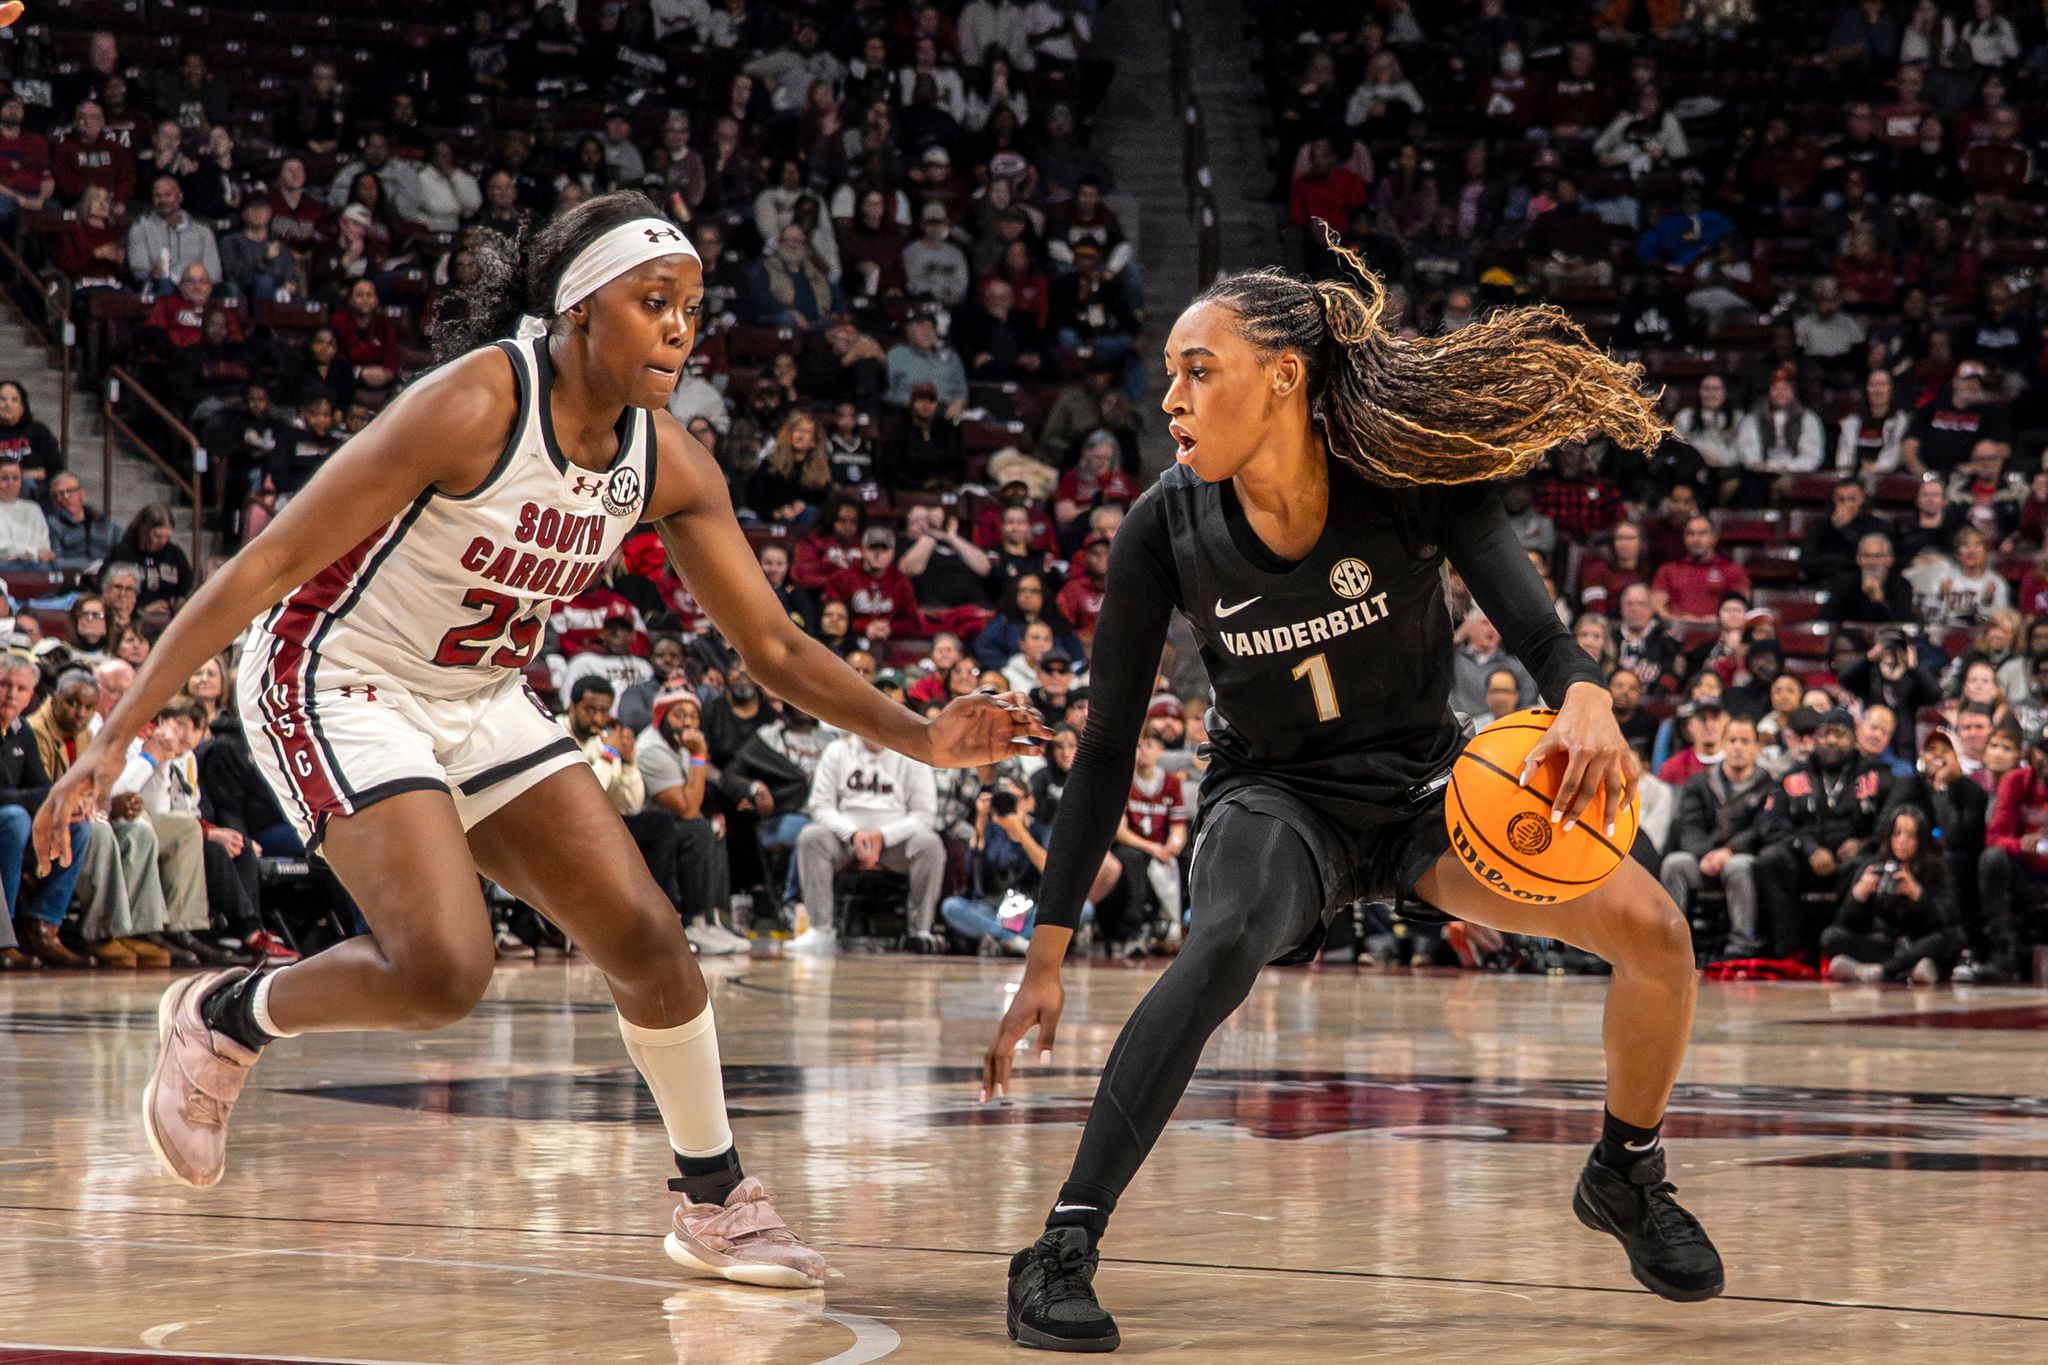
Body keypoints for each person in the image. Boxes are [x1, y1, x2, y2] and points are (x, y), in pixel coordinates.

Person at [34, 192, 1042, 1290]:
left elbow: (775, 646)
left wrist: (919, 735)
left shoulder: (666, 459)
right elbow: (264, 564)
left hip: (477, 690)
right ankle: (226, 1012)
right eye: (652, 302)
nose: (679, 328)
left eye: (693, 309)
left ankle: (713, 1201)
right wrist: (110, 736)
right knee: (444, 970)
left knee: (650, 942)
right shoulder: (472, 404)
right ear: (575, 313)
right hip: (334, 669)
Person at [983, 250, 1718, 1354]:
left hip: (1429, 789)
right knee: (1224, 937)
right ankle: (1059, 1248)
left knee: (1655, 933)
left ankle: (1625, 1171)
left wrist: (1583, 697)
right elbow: (1102, 751)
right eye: (1166, 376)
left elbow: (1537, 628)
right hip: (1275, 795)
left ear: (1282, 376)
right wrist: (1046, 951)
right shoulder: (1160, 529)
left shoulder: (1409, 475)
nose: (1170, 398)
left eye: (1198, 369)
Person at [792, 709, 947, 953]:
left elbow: (924, 815)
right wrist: (853, 834)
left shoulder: (910, 755)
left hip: (894, 842)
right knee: (811, 836)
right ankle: (821, 929)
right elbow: (820, 806)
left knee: (930, 844)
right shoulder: (838, 751)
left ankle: (920, 930)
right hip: (844, 838)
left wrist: (883, 836)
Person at [1751, 708, 1898, 961]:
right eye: (1824, 733)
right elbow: (1770, 825)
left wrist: (1865, 843)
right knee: (1770, 859)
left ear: (1853, 739)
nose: (1830, 740)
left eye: (1839, 734)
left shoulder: (1876, 775)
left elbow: (1891, 823)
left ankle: (1842, 946)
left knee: (1870, 866)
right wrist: (1807, 847)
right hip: (1806, 861)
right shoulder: (1793, 776)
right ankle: (1788, 950)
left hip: (1853, 863)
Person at [1661, 715, 1770, 958]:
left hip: (1743, 857)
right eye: (1732, 740)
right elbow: (1688, 827)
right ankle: (1670, 942)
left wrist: (1729, 851)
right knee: (1675, 863)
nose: (1738, 747)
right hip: (1705, 859)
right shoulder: (1701, 782)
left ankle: (1742, 942)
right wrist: (1705, 854)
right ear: (1723, 745)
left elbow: (1763, 829)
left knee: (1737, 866)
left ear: (1756, 748)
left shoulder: (1768, 784)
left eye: (1745, 741)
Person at [1823, 805, 1961, 984]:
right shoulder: (1873, 866)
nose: (1902, 841)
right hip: (1885, 945)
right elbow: (1845, 923)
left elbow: (1947, 919)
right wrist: (1859, 895)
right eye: (1897, 834)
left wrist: (1917, 894)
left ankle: (1880, 971)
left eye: (1910, 836)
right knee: (1831, 937)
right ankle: (1907, 971)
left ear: (1920, 840)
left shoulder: (1936, 868)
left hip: (1919, 943)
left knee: (1952, 937)